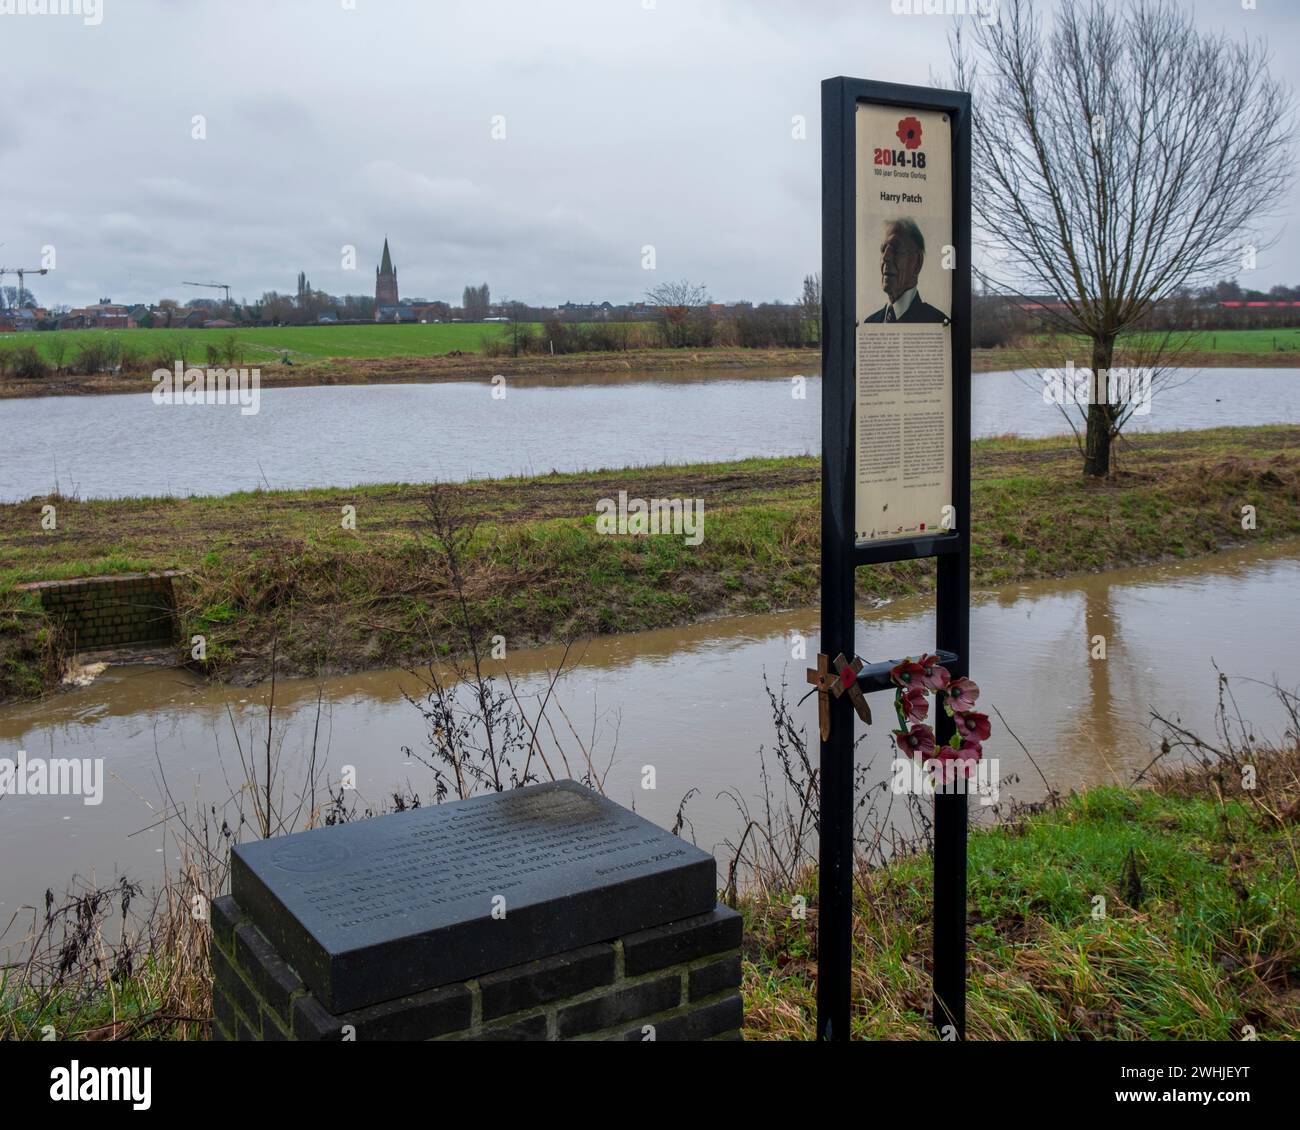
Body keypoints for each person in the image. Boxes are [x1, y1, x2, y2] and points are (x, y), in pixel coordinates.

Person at [863, 218, 948, 323]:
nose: (885, 257)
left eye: (896, 249)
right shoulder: (869, 323)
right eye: (883, 249)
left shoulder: (936, 321)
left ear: (917, 263)